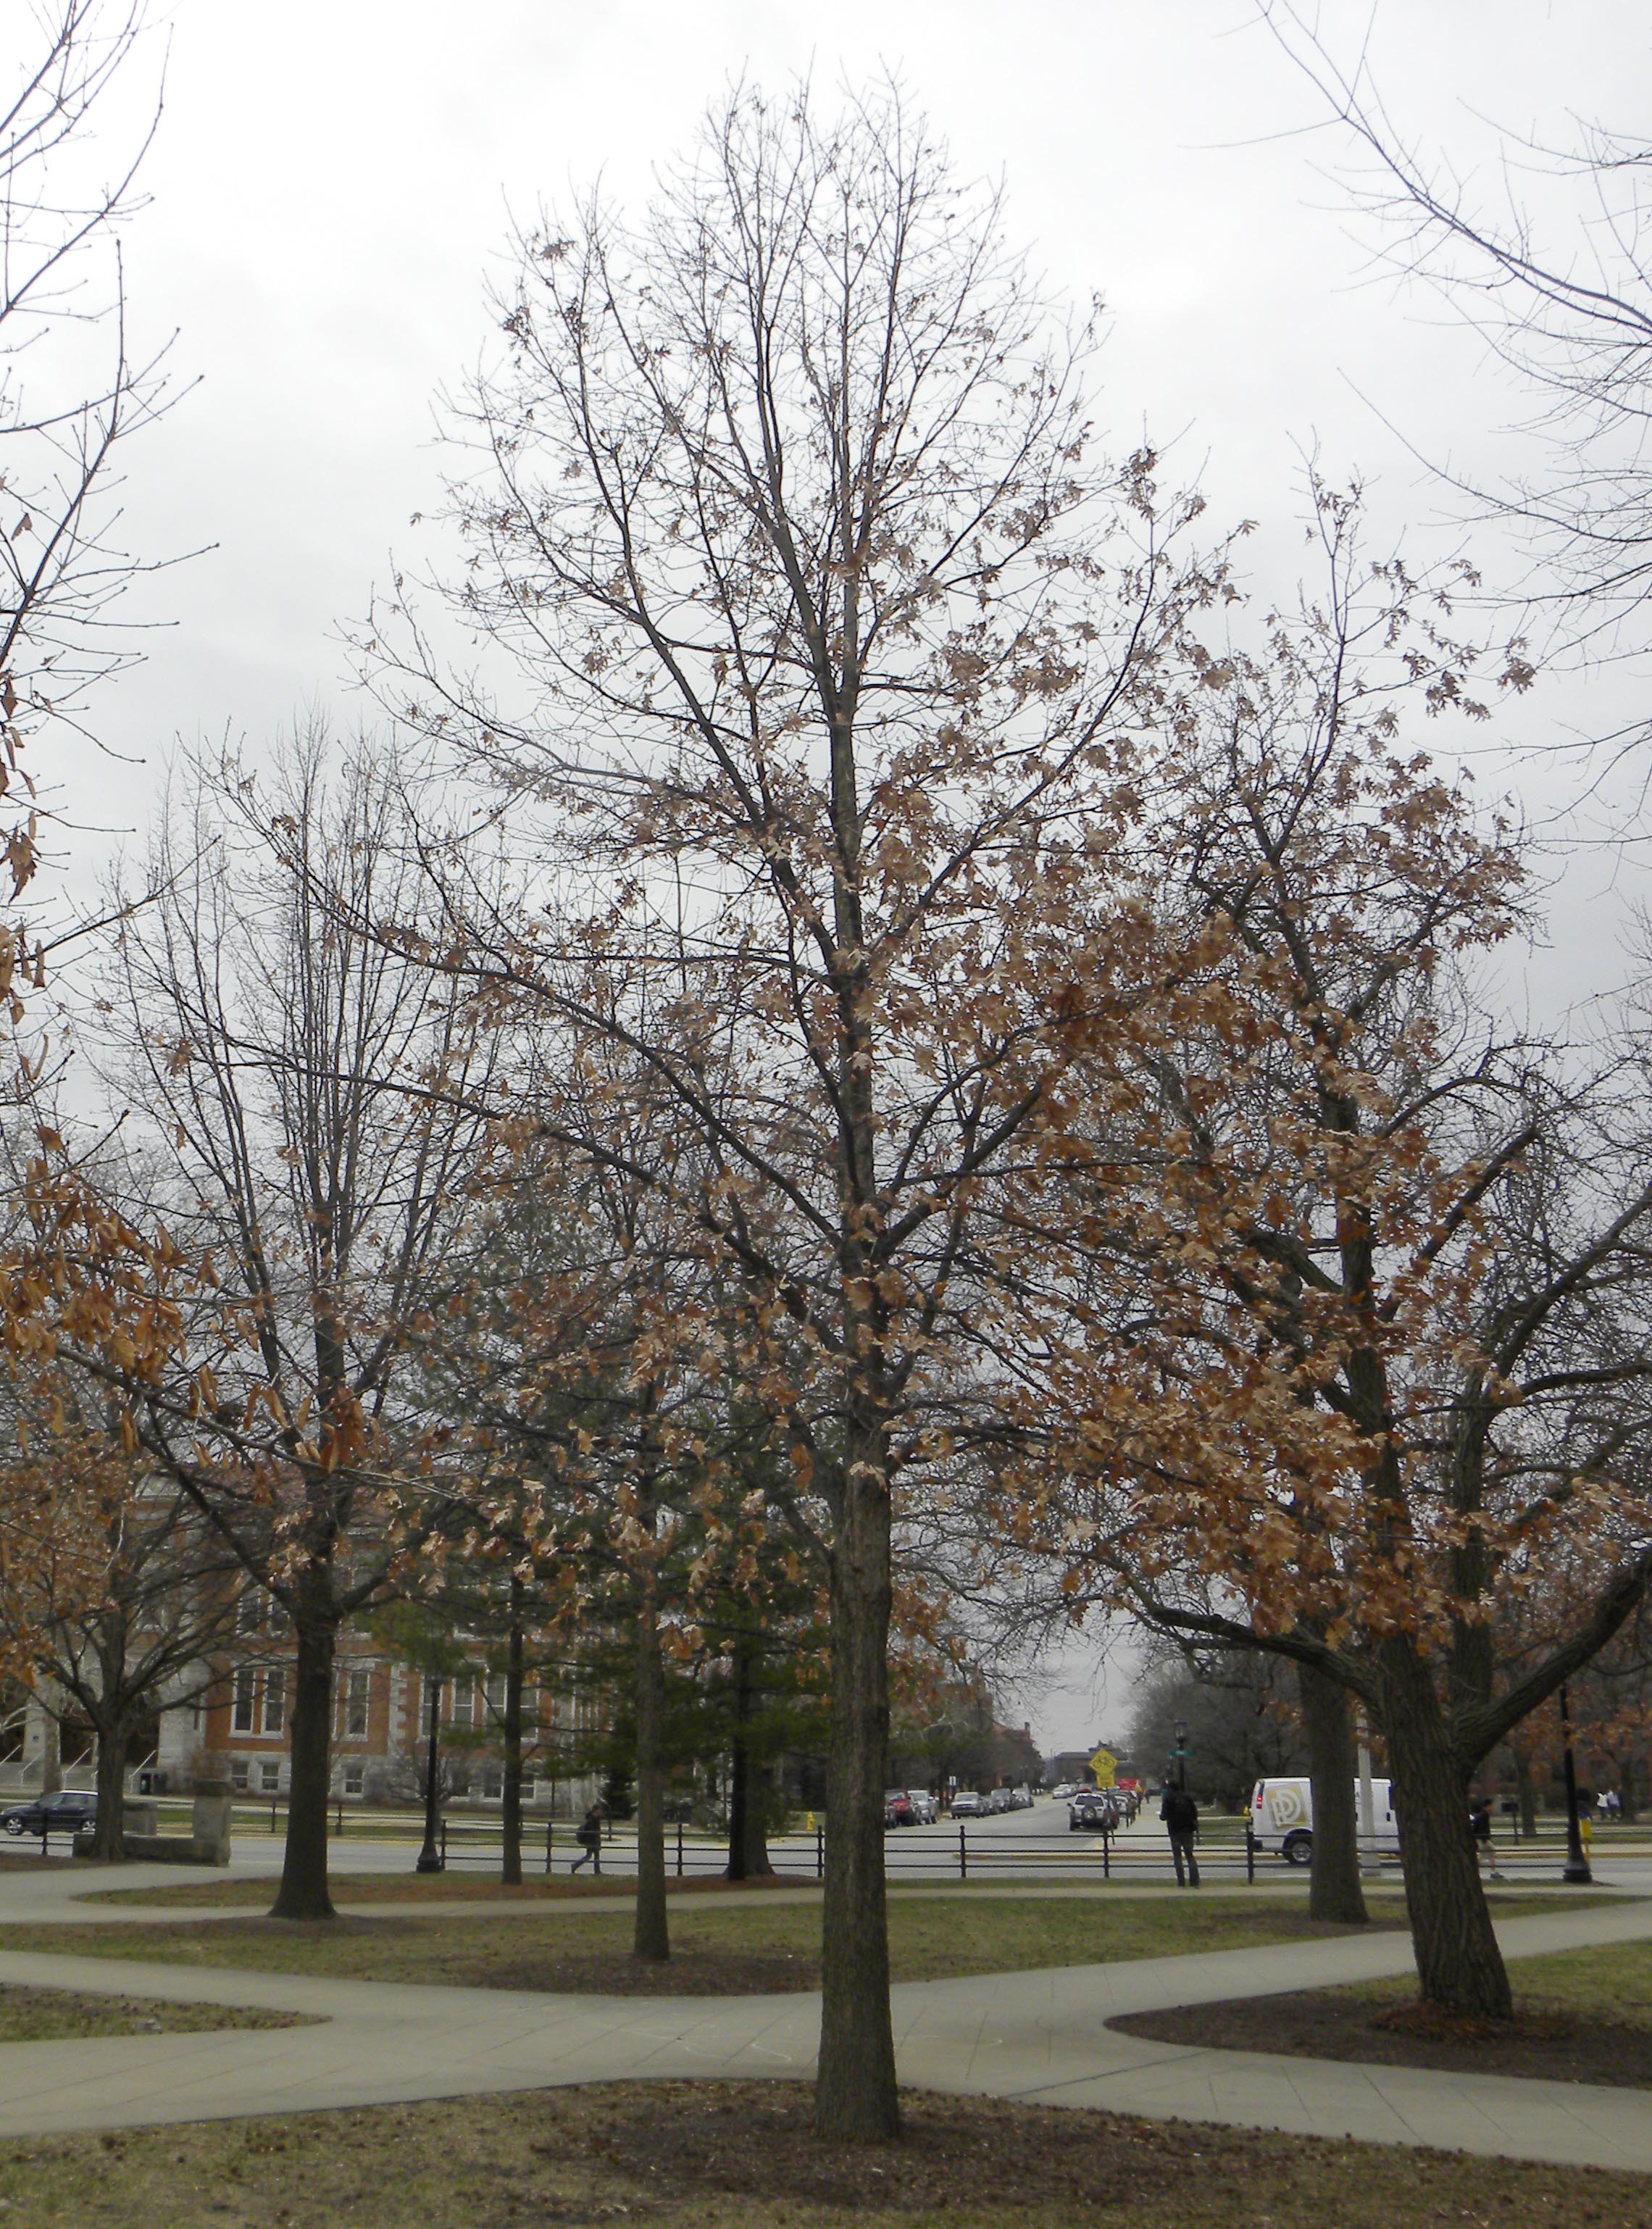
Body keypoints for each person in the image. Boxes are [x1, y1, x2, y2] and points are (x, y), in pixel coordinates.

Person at [1161, 1783, 1201, 1888]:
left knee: (1177, 1857)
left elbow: (1163, 1816)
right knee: (1190, 1856)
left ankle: (1181, 1883)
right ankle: (1195, 1882)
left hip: (1175, 1831)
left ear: (1170, 1788)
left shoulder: (1168, 1799)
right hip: (1188, 1830)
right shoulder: (1187, 1798)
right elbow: (1194, 1813)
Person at [1469, 1796, 1501, 1880]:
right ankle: (1473, 1871)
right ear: (1488, 1806)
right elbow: (1482, 1829)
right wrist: (1485, 1841)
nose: (1493, 1808)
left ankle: (1493, 1872)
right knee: (1485, 1855)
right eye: (1492, 1806)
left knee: (1490, 1853)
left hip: (1480, 1838)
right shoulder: (1484, 1815)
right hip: (1481, 1839)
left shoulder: (1483, 1815)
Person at [570, 1801, 604, 1875]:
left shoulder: (596, 1818)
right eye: (599, 1810)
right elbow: (591, 1830)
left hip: (595, 1840)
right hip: (591, 1840)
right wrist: (595, 1838)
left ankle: (597, 1871)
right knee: (589, 1856)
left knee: (595, 1856)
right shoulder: (591, 1819)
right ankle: (575, 1865)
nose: (600, 1811)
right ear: (596, 1810)